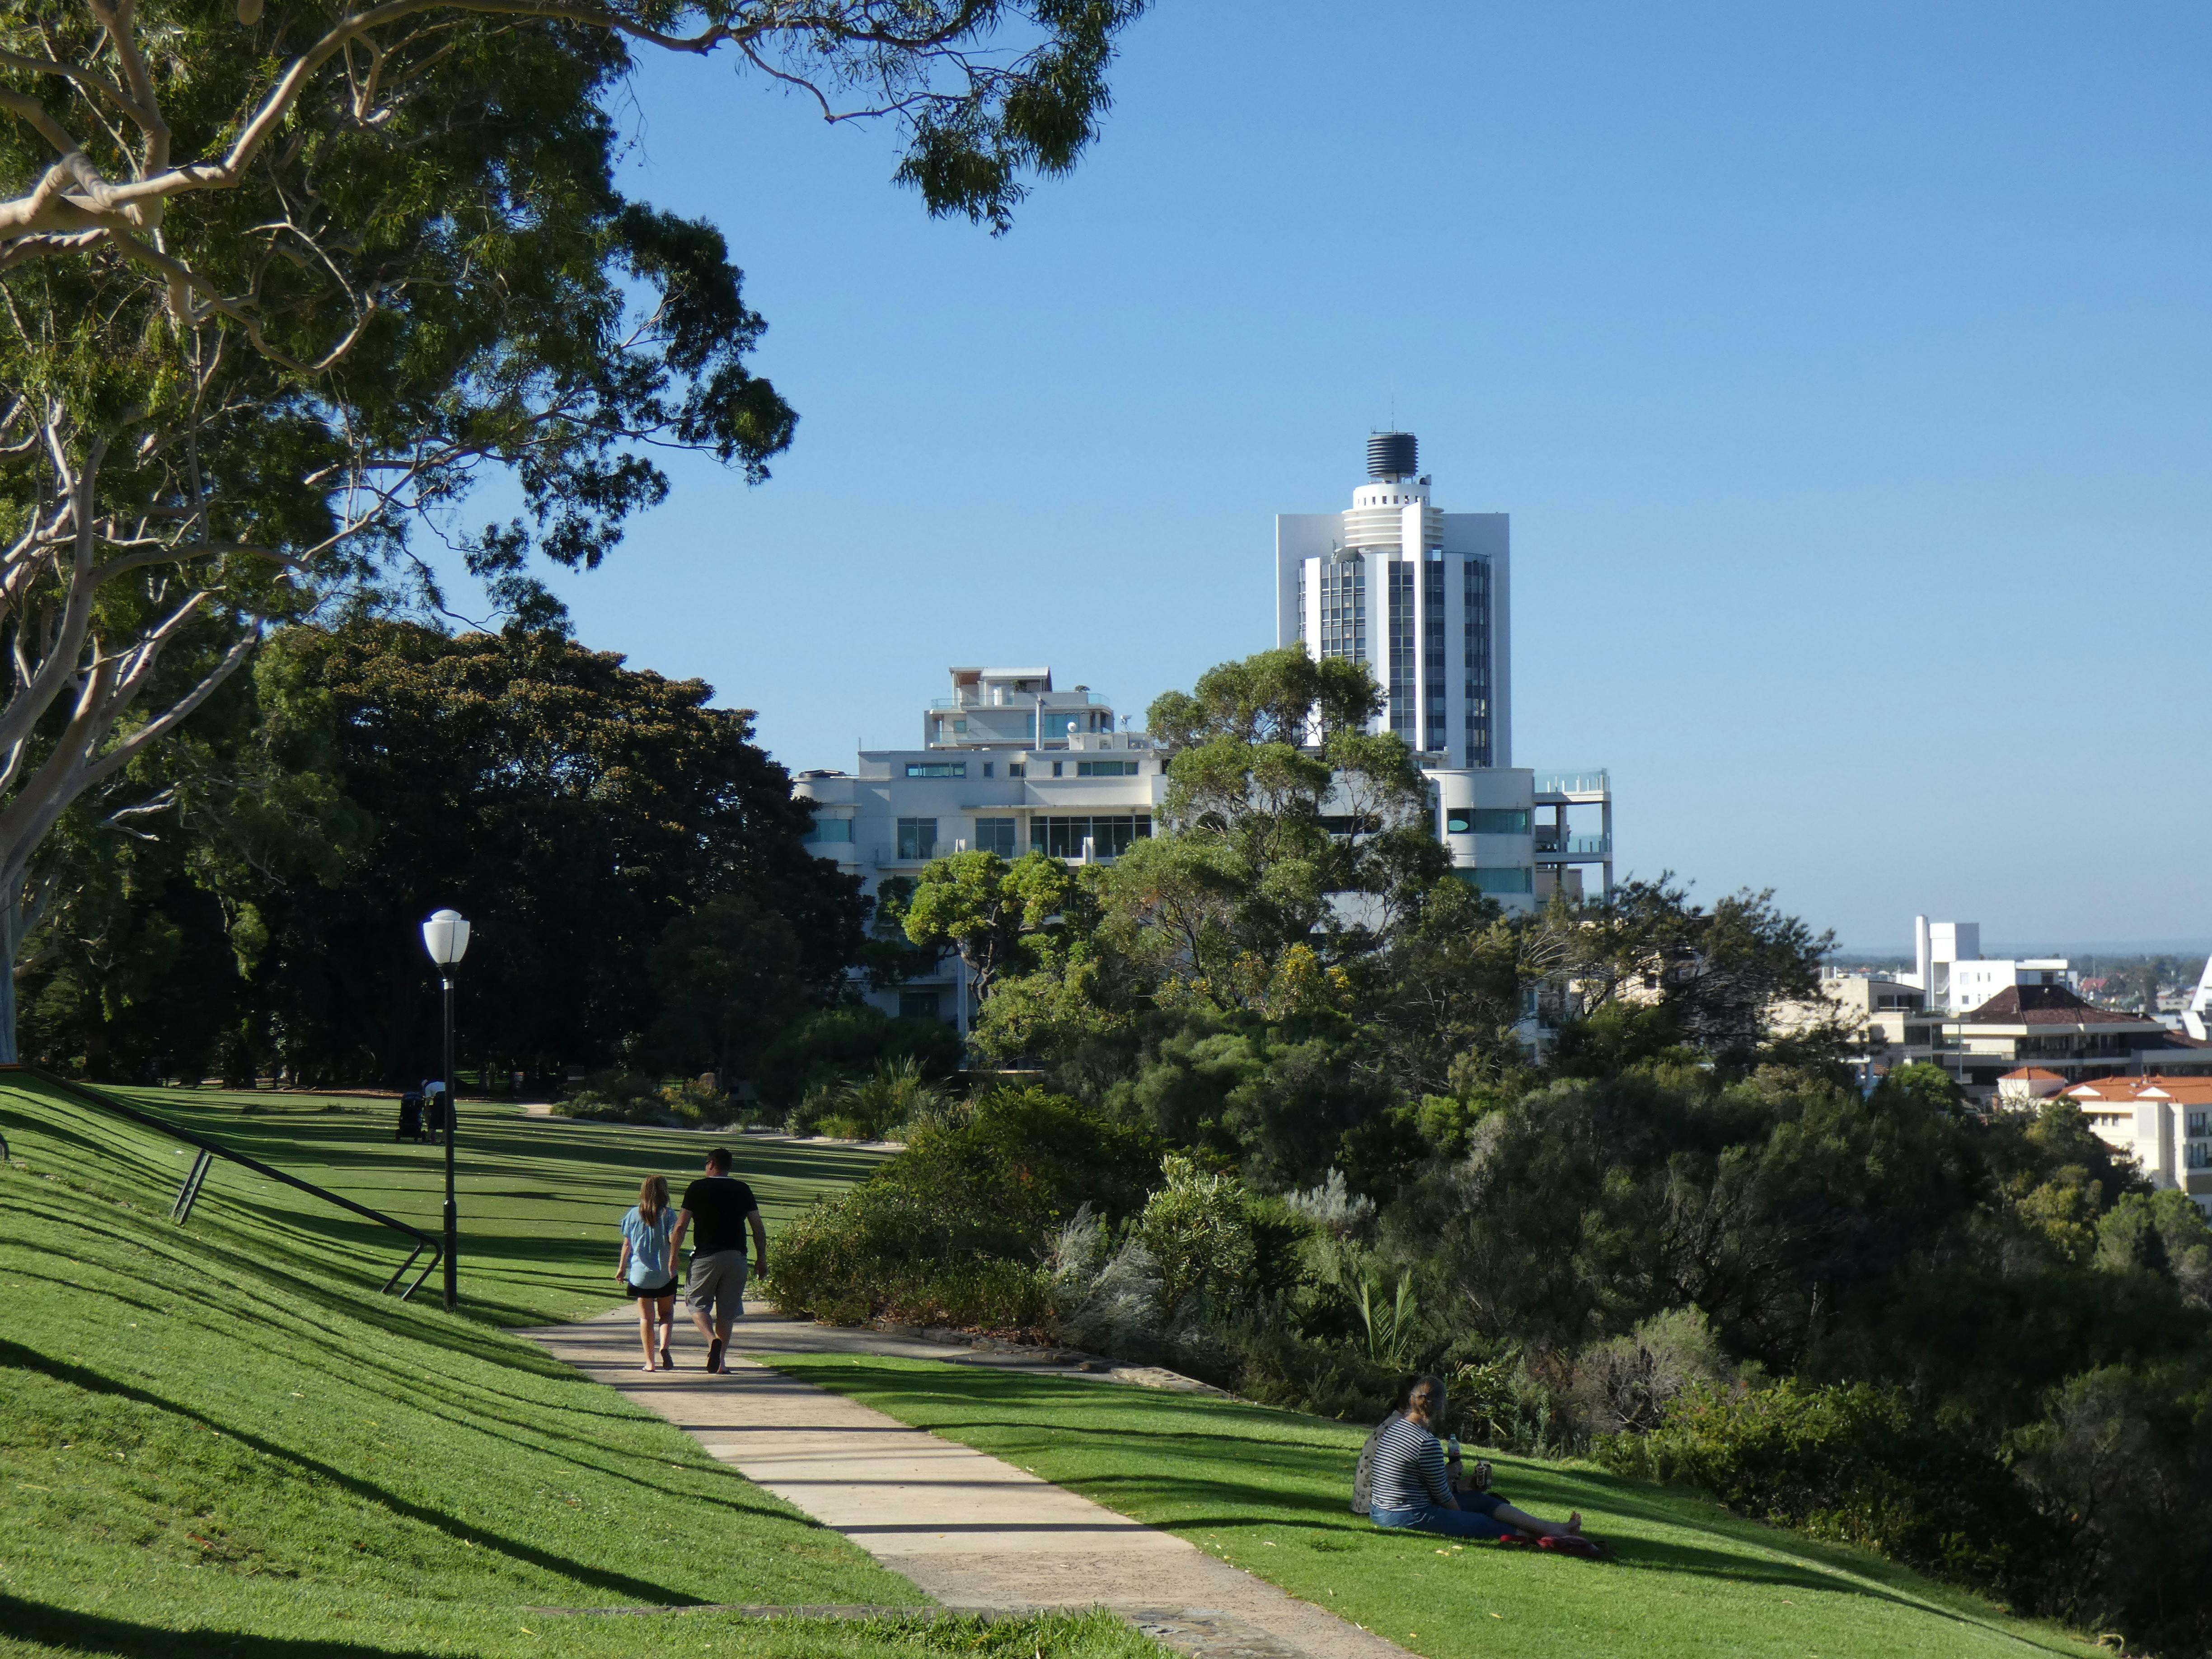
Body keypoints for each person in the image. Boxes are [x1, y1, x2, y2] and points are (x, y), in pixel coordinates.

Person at [1367, 1374, 1591, 1545]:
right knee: (1484, 1524)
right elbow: (1443, 1497)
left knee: (1483, 1501)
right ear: (1441, 1407)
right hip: (1404, 1516)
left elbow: (1420, 1481)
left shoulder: (1396, 1428)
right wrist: (1462, 1517)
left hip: (1383, 1510)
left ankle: (1550, 1528)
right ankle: (1553, 1540)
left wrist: (1465, 1490)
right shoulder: (1427, 1443)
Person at [667, 1147, 767, 1375]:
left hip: (707, 1255)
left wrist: (673, 1257)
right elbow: (758, 1228)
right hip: (737, 1256)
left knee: (697, 1303)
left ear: (711, 1164)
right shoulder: (743, 1189)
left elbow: (681, 1226)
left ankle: (712, 1340)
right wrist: (762, 1259)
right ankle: (721, 1363)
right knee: (727, 1311)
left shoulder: (697, 1188)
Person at [615, 1175, 680, 1372]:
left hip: (640, 1275)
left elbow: (627, 1244)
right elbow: (673, 1239)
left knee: (646, 1319)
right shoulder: (669, 1215)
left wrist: (621, 1268)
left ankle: (650, 1363)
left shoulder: (633, 1214)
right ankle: (664, 1347)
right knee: (667, 1314)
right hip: (665, 1274)